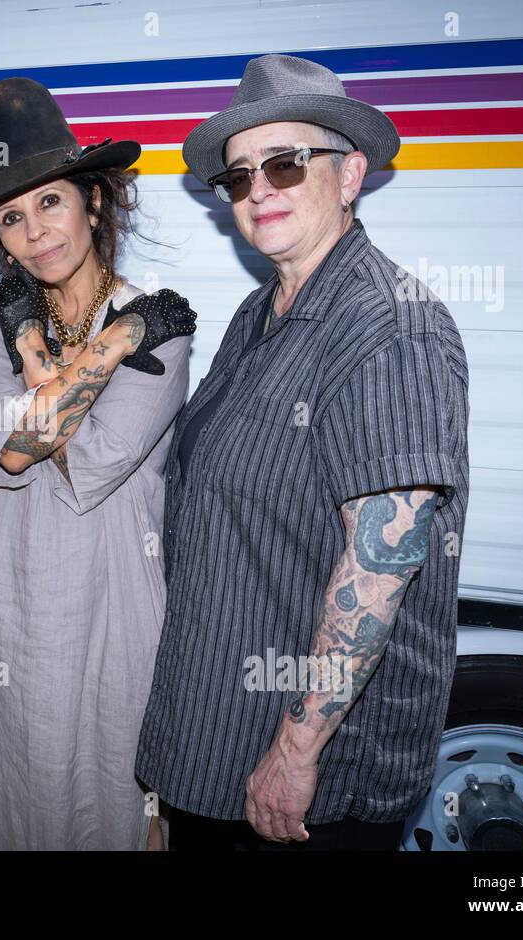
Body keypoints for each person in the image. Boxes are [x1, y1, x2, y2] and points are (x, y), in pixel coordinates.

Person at [135, 55, 470, 850]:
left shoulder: (391, 325)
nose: (259, 190)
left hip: (308, 773)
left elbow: (380, 565)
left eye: (286, 163)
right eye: (239, 176)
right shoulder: (261, 310)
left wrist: (296, 750)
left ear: (350, 174)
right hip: (219, 731)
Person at [0, 77, 196, 849]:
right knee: (5, 779)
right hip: (3, 586)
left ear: (93, 201)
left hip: (113, 591)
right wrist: (109, 345)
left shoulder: (163, 322)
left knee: (110, 784)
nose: (35, 231)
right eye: (11, 217)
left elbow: (97, 459)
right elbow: (12, 444)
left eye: (50, 202)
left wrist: (105, 337)